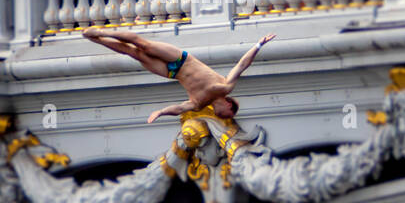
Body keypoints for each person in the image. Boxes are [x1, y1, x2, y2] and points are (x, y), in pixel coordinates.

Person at [82, 27, 276, 123]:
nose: (223, 117)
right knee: (144, 45)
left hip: (172, 72)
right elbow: (242, 65)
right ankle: (101, 31)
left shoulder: (199, 104)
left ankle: (97, 40)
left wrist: (160, 112)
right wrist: (258, 45)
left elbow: (180, 108)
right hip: (182, 59)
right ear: (229, 105)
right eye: (227, 115)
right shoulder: (225, 86)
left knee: (134, 53)